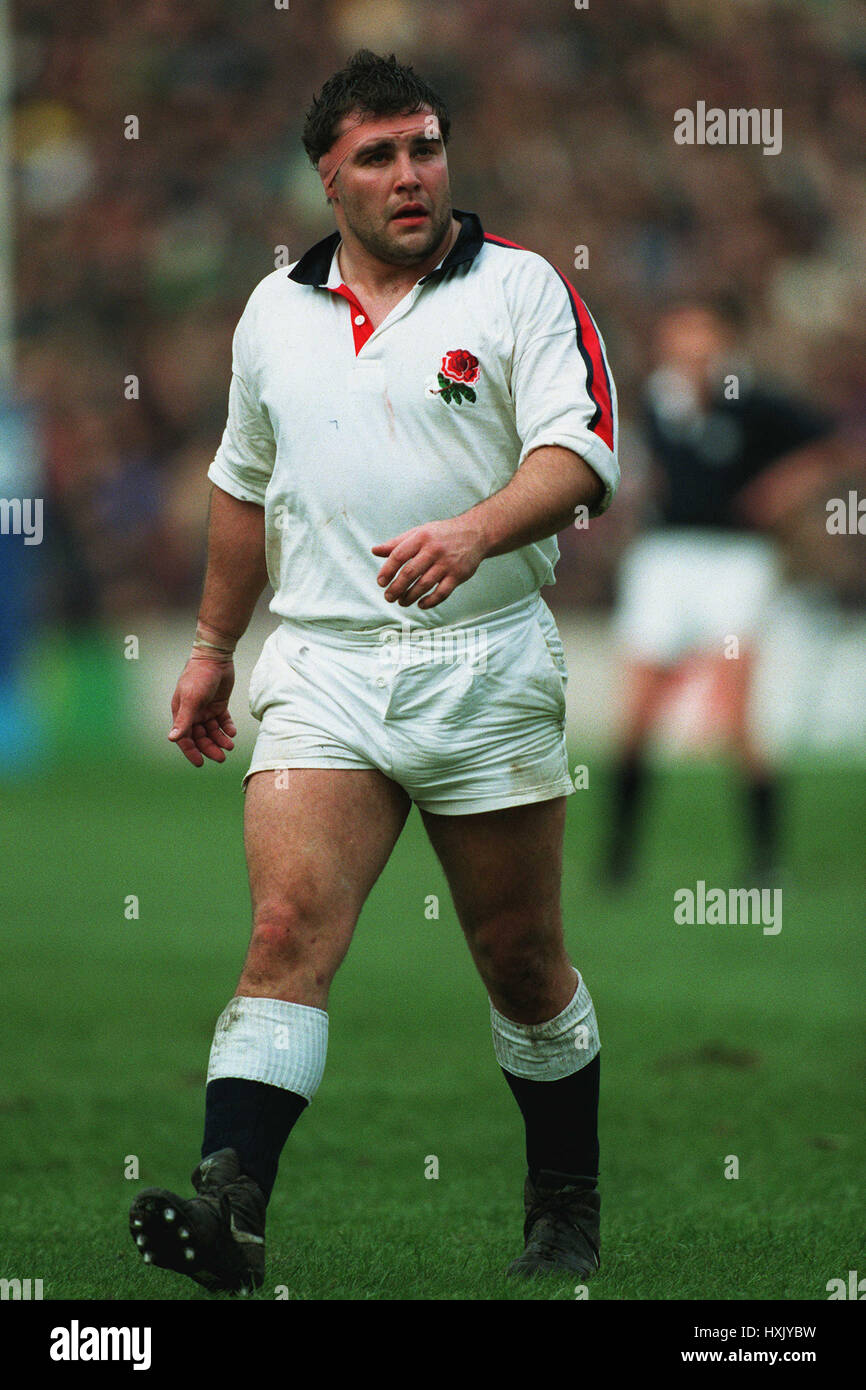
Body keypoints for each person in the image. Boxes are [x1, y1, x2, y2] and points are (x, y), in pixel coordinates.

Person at [129, 49, 618, 1293]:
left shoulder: (519, 289)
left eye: (426, 146)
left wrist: (473, 529)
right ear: (326, 180)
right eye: (379, 156)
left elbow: (579, 453)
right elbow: (241, 493)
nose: (412, 175)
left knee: (517, 958)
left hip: (483, 661)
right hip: (327, 668)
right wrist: (207, 649)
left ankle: (563, 1203)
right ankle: (229, 1210)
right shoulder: (268, 312)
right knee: (287, 930)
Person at [606, 299, 833, 886]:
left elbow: (831, 441)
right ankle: (619, 858)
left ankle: (763, 860)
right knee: (637, 713)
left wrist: (781, 488)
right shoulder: (656, 399)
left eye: (701, 334)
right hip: (664, 558)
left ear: (724, 341)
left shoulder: (752, 400)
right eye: (679, 334)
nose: (690, 346)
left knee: (736, 714)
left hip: (735, 560)